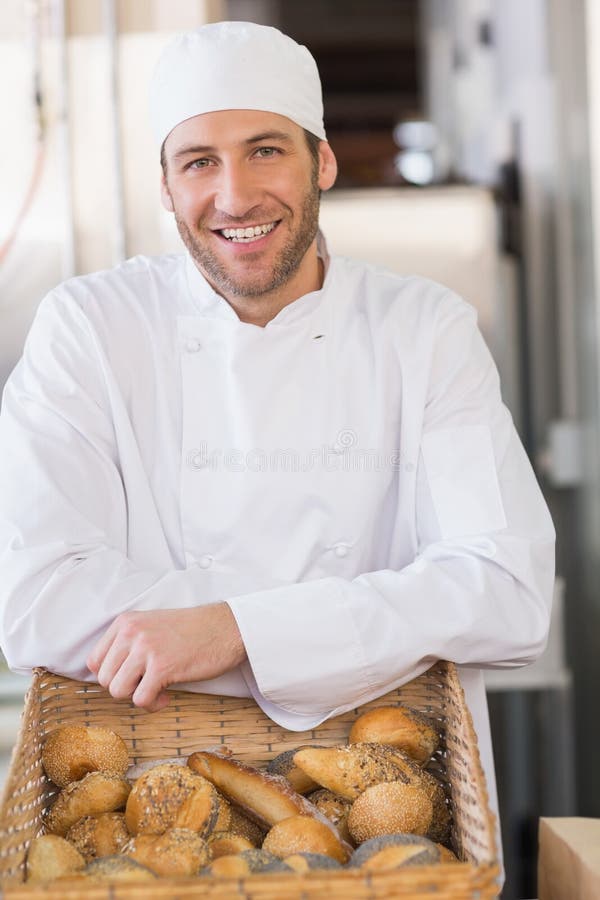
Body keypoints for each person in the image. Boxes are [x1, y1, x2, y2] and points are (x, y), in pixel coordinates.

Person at [0, 21, 554, 836]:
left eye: (266, 150)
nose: (234, 196)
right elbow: (38, 603)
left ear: (321, 160)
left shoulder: (423, 328)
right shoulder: (89, 327)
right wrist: (369, 627)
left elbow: (507, 595)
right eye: (199, 162)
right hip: (163, 819)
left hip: (393, 822)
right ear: (164, 184)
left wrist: (230, 631)